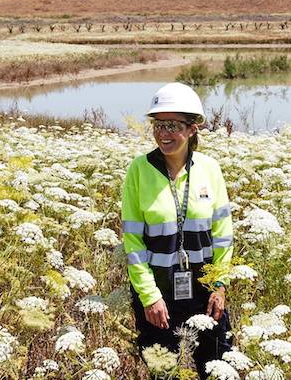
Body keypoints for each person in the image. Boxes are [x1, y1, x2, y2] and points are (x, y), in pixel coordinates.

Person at [121, 82, 234, 379]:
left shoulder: (210, 169)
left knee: (219, 370)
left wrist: (219, 286)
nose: (163, 133)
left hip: (206, 293)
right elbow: (132, 241)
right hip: (159, 296)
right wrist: (149, 296)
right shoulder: (138, 170)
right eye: (158, 125)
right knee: (164, 373)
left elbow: (223, 235)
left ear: (192, 128)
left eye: (172, 125)